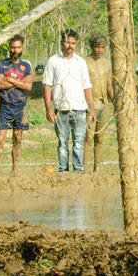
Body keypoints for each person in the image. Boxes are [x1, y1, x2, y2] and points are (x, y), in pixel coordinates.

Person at [43, 29, 94, 173]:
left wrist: (91, 108)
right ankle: (63, 171)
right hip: (61, 110)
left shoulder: (81, 62)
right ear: (61, 42)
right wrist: (48, 109)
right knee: (62, 143)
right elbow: (47, 86)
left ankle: (78, 171)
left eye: (72, 43)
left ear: (76, 44)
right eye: (67, 42)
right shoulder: (53, 61)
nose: (70, 46)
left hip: (79, 109)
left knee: (78, 143)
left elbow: (87, 86)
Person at [0, 35, 33, 173]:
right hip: (5, 107)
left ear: (22, 48)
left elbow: (29, 87)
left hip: (20, 108)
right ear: (9, 48)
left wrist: (11, 80)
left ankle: (15, 170)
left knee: (17, 138)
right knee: (0, 140)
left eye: (18, 47)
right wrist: (20, 82)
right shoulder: (2, 64)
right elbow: (0, 84)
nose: (15, 50)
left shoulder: (26, 65)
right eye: (13, 47)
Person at [86, 36, 115, 172]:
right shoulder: (84, 62)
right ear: (92, 47)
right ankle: (83, 168)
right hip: (90, 104)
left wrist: (113, 100)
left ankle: (97, 168)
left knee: (100, 138)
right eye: (97, 47)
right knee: (88, 136)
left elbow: (109, 84)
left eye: (103, 47)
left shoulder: (106, 64)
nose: (100, 50)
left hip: (104, 104)